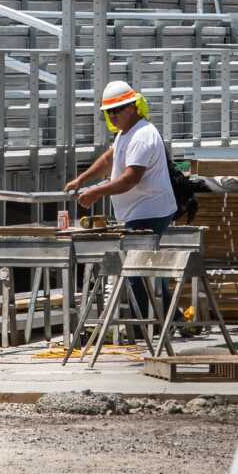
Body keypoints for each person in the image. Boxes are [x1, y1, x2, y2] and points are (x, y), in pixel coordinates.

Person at [64, 81, 178, 320]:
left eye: (118, 109)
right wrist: (82, 179)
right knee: (145, 269)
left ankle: (148, 323)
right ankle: (168, 318)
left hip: (150, 211)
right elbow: (109, 159)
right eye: (109, 111)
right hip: (139, 211)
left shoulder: (143, 135)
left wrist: (97, 192)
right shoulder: (126, 134)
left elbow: (130, 179)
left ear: (133, 107)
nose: (113, 115)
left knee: (138, 271)